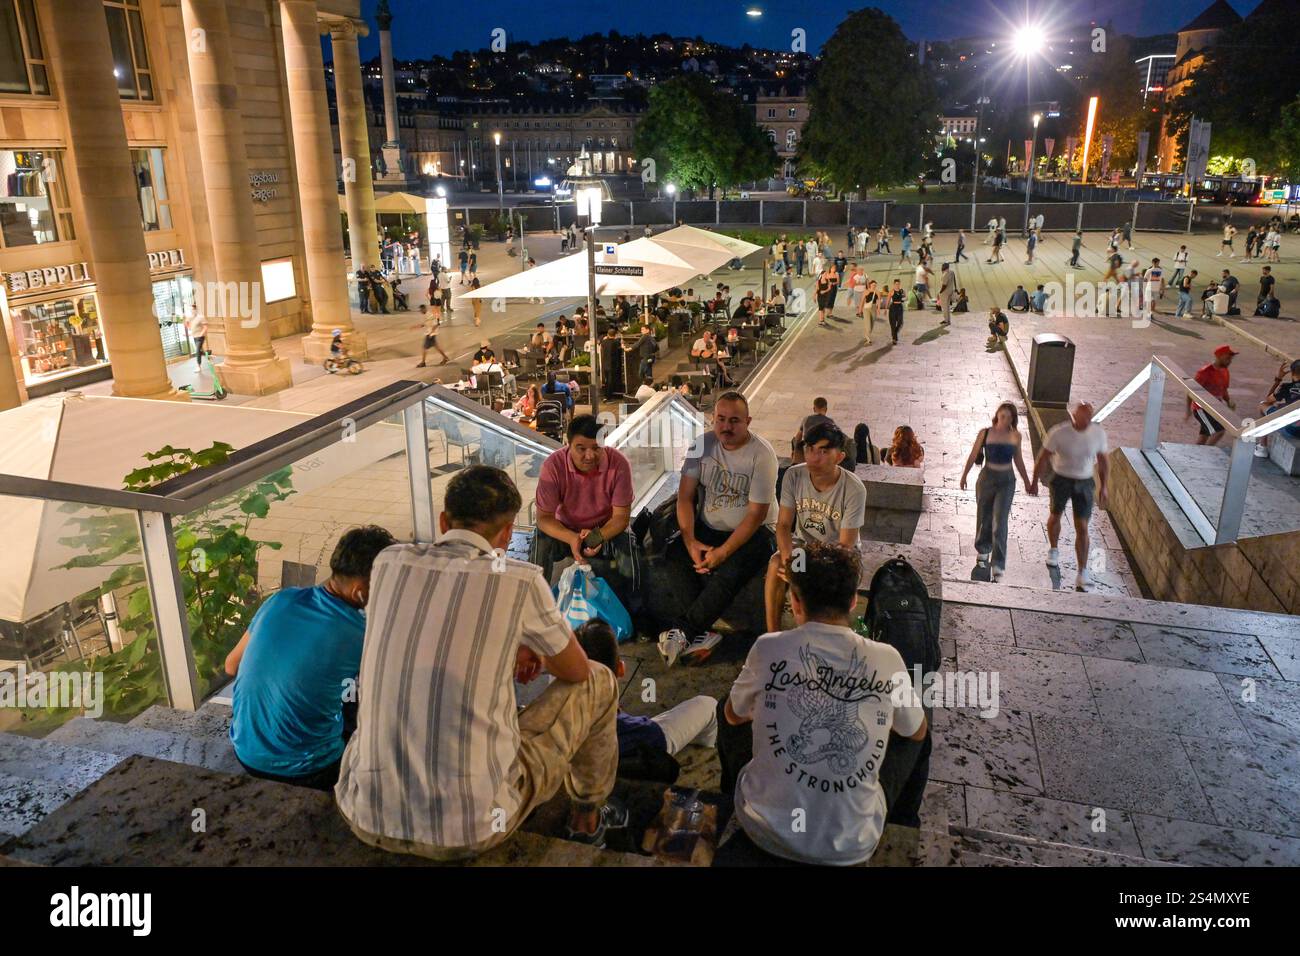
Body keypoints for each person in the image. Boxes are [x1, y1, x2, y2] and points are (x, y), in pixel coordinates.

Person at [335, 467, 624, 858]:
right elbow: (575, 671)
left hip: (363, 811)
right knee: (600, 680)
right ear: (507, 534)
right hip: (472, 825)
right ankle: (587, 818)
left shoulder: (388, 563)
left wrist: (510, 646)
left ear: (443, 521)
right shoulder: (519, 580)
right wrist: (533, 647)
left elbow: (437, 633)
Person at [716, 541, 927, 866]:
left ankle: (732, 795)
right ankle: (904, 824)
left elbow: (733, 715)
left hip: (763, 829)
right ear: (854, 601)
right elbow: (915, 732)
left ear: (795, 600)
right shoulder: (888, 658)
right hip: (853, 844)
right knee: (919, 727)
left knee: (725, 705)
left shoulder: (767, 648)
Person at [225, 526, 396, 790]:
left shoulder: (280, 599)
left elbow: (231, 665)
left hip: (245, 752)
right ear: (360, 590)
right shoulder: (363, 634)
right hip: (309, 769)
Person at [656, 392, 778, 668]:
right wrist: (690, 541)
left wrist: (723, 553)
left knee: (730, 570)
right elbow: (685, 497)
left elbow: (756, 514)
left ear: (748, 421)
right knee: (674, 554)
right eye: (720, 419)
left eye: (734, 421)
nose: (726, 427)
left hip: (756, 532)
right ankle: (701, 634)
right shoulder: (702, 445)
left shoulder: (762, 454)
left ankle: (685, 631)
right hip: (710, 525)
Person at [531, 414, 641, 608]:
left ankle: (634, 611)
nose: (590, 456)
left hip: (605, 530)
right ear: (568, 444)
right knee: (540, 540)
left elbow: (621, 518)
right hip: (565, 531)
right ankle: (535, 605)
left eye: (596, 448)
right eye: (581, 449)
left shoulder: (619, 465)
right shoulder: (553, 466)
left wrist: (597, 537)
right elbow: (544, 518)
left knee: (628, 549)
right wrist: (572, 538)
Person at [765, 421, 866, 632]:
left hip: (838, 554)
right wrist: (789, 560)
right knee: (776, 565)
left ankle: (827, 635)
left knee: (827, 580)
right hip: (805, 547)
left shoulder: (854, 488)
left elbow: (845, 546)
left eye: (823, 451)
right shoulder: (794, 475)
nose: (814, 457)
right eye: (809, 449)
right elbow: (783, 525)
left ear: (839, 456)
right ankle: (772, 635)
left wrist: (809, 571)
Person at [576, 619, 718, 768]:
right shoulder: (635, 731)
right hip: (625, 755)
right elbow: (653, 735)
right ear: (621, 669)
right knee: (709, 705)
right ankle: (703, 759)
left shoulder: (556, 710)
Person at [1030, 401, 1109, 592]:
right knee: (1055, 515)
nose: (1085, 419)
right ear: (1074, 415)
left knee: (1082, 525)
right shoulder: (1059, 432)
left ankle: (1082, 572)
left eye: (1088, 416)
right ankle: (1054, 549)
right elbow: (1043, 456)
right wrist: (1034, 481)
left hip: (1084, 481)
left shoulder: (1098, 434)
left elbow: (1103, 460)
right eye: (1081, 415)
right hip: (1061, 479)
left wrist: (1104, 487)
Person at [960, 402, 1034, 581]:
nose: (1005, 420)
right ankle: (983, 551)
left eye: (1009, 417)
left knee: (1000, 521)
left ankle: (999, 563)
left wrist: (1027, 481)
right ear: (997, 415)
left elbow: (1018, 460)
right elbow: (973, 454)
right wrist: (964, 475)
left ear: (1013, 419)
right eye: (1002, 416)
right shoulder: (985, 433)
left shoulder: (1015, 436)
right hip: (987, 478)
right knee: (984, 516)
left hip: (1006, 480)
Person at [1190, 344, 1239, 446]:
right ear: (1219, 357)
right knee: (1218, 431)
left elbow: (1224, 389)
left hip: (1214, 408)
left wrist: (1228, 401)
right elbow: (1192, 390)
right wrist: (1188, 410)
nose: (1230, 361)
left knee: (1204, 436)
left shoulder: (1225, 371)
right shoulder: (1205, 372)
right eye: (1227, 358)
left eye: (1230, 358)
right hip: (1201, 408)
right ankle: (1207, 453)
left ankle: (1196, 453)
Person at [1254, 359, 1300, 457]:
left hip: (1292, 429)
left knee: (1263, 405)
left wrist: (1278, 379)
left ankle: (1262, 447)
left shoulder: (1287, 387)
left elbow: (1268, 399)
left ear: (1292, 373)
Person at [887, 278, 905, 345]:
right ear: (894, 284)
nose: (897, 285)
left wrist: (903, 298)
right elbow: (888, 300)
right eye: (896, 284)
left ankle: (894, 334)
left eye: (898, 284)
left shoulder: (902, 291)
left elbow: (905, 297)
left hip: (900, 307)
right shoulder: (891, 291)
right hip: (893, 307)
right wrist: (886, 309)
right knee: (893, 324)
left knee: (900, 322)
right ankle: (894, 339)